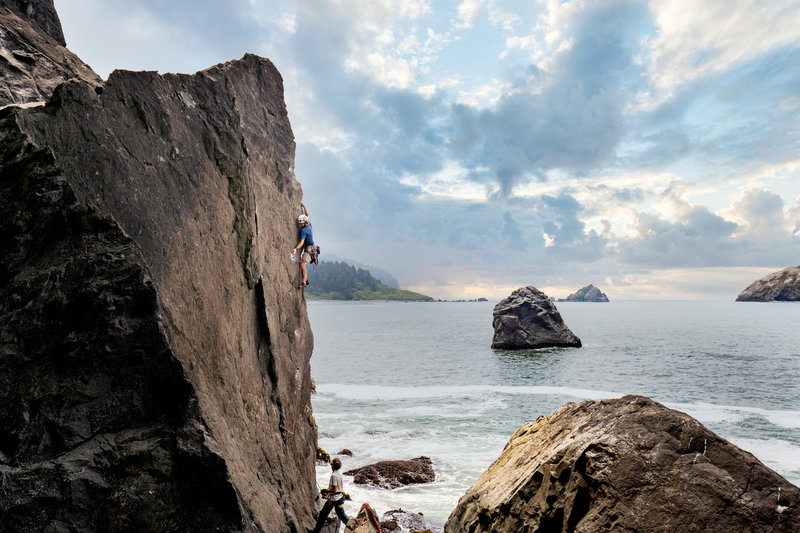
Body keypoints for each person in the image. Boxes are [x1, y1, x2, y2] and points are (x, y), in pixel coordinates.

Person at [307, 458, 349, 533]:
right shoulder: (339, 473)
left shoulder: (333, 476)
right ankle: (353, 526)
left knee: (326, 515)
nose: (330, 463)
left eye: (331, 462)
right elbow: (336, 489)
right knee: (340, 516)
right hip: (338, 498)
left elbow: (334, 490)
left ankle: (315, 531)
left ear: (333, 465)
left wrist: (325, 490)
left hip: (334, 499)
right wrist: (328, 492)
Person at [293, 202, 314, 286]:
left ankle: (304, 281)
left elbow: (302, 242)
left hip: (309, 248)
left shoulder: (304, 230)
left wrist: (296, 249)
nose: (300, 225)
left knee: (302, 264)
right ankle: (305, 279)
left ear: (304, 223)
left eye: (300, 223)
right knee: (302, 263)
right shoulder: (308, 223)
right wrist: (304, 206)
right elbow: (307, 214)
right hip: (310, 247)